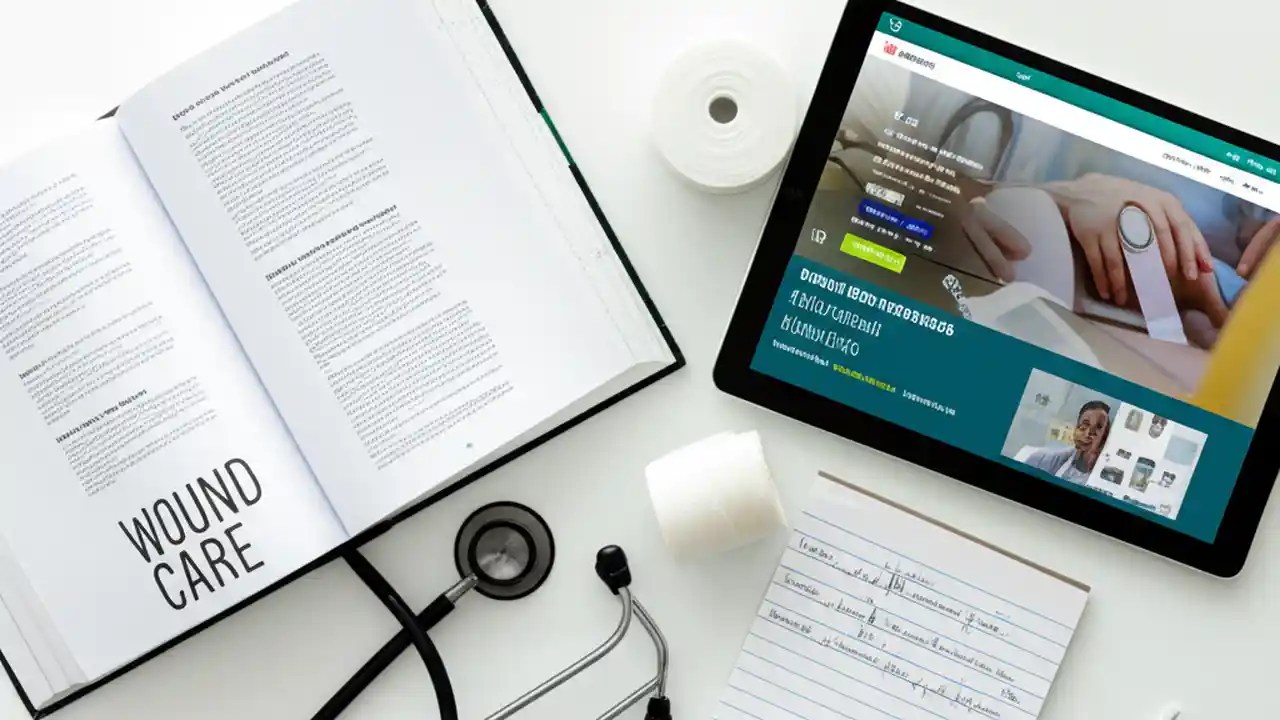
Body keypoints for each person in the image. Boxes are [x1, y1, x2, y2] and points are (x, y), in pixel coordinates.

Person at [1022, 400, 1112, 483]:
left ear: (1105, 438)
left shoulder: (1106, 480)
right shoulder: (1040, 460)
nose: (1087, 434)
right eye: (1084, 425)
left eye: (1098, 428)